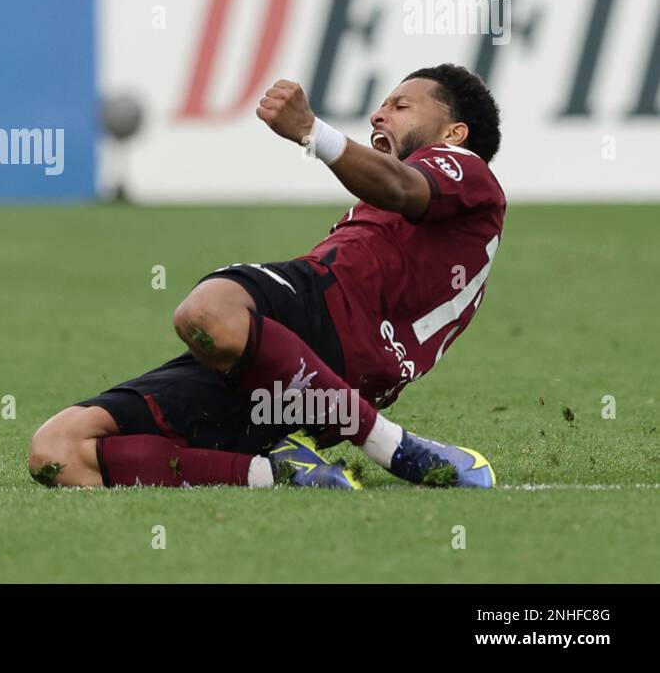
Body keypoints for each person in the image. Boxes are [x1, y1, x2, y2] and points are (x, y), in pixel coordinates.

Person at [30, 64, 505, 490]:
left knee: (207, 310)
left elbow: (400, 186)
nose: (380, 115)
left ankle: (394, 447)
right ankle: (277, 472)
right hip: (296, 374)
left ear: (454, 133)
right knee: (56, 451)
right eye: (381, 106)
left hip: (332, 318)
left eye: (400, 105)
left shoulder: (465, 169)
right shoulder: (388, 210)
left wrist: (312, 131)